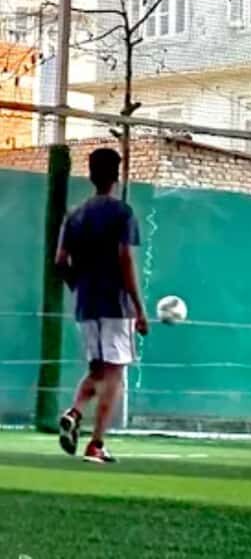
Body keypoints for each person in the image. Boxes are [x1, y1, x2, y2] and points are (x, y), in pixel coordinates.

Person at [55, 148, 148, 464]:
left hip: (86, 305)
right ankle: (95, 444)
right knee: (115, 375)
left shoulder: (75, 215)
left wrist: (78, 288)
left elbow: (60, 261)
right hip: (114, 305)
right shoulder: (123, 213)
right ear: (116, 176)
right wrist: (139, 309)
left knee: (97, 369)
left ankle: (74, 412)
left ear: (91, 174)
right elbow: (125, 259)